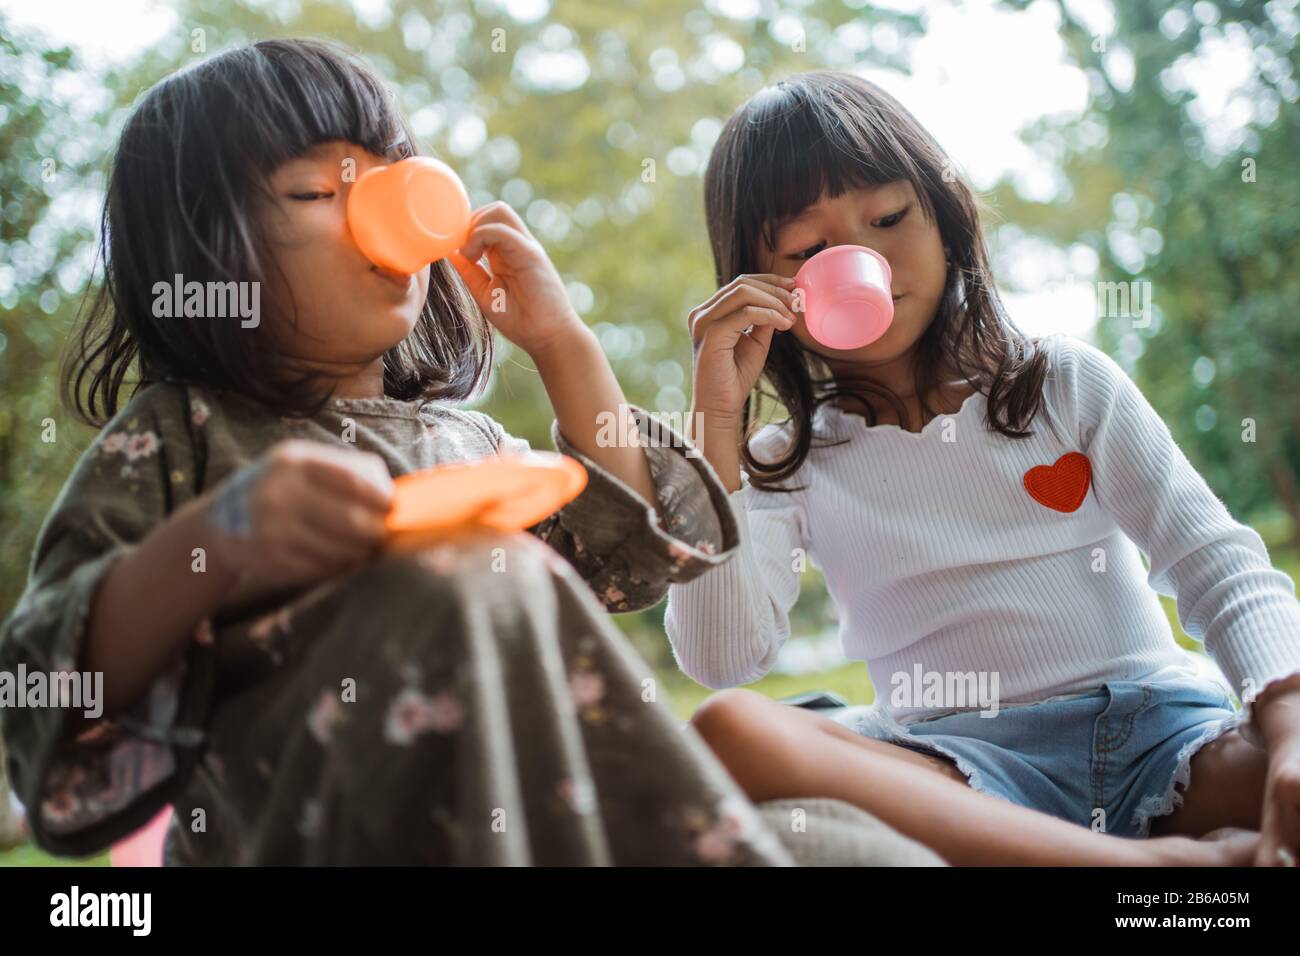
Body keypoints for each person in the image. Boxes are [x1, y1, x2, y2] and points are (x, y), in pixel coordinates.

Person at [0, 39, 795, 866]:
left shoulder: (465, 441)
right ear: (200, 251)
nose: (389, 211)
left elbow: (627, 559)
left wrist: (564, 344)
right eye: (315, 189)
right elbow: (54, 693)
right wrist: (215, 539)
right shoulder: (176, 439)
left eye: (395, 177)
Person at [667, 71, 1300, 866]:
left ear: (945, 215)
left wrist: (1288, 727)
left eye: (889, 216)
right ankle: (1162, 870)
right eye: (808, 250)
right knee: (725, 731)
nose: (863, 259)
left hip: (1159, 739)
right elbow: (722, 660)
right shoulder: (782, 464)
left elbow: (1216, 564)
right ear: (762, 284)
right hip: (962, 771)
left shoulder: (1063, 383)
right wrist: (714, 427)